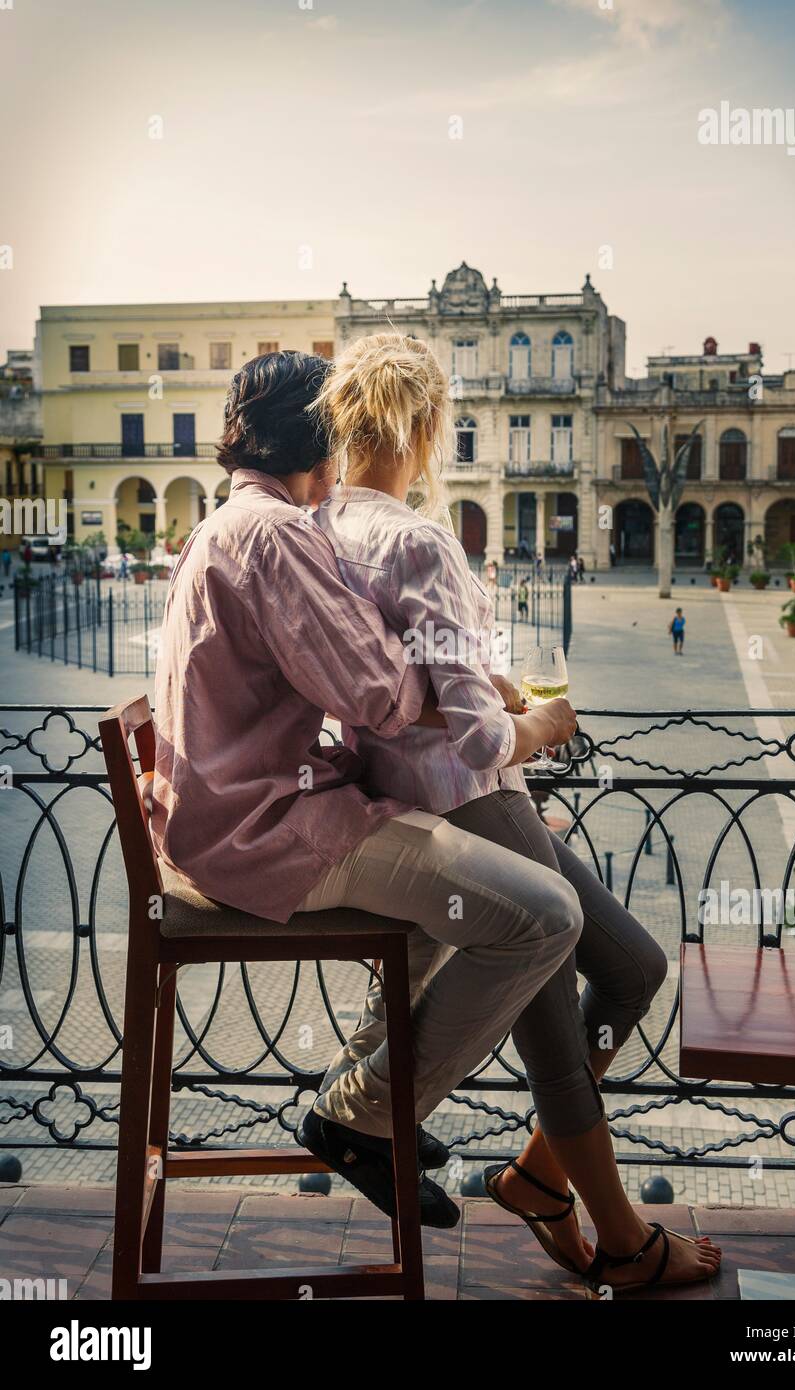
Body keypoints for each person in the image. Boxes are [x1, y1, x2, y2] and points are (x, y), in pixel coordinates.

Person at [311, 332, 721, 1295]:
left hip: (429, 809)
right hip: (477, 800)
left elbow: (391, 689)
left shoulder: (321, 531)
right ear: (422, 426)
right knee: (581, 1006)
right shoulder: (417, 539)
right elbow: (481, 740)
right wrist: (542, 719)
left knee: (632, 970)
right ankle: (616, 1236)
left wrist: (481, 690)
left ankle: (541, 1178)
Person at [152, 351, 583, 1231]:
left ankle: (371, 1106)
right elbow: (376, 695)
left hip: (231, 816)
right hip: (264, 834)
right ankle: (360, 1114)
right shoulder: (275, 536)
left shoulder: (225, 523)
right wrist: (492, 697)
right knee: (547, 917)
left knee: (442, 893)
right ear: (324, 443)